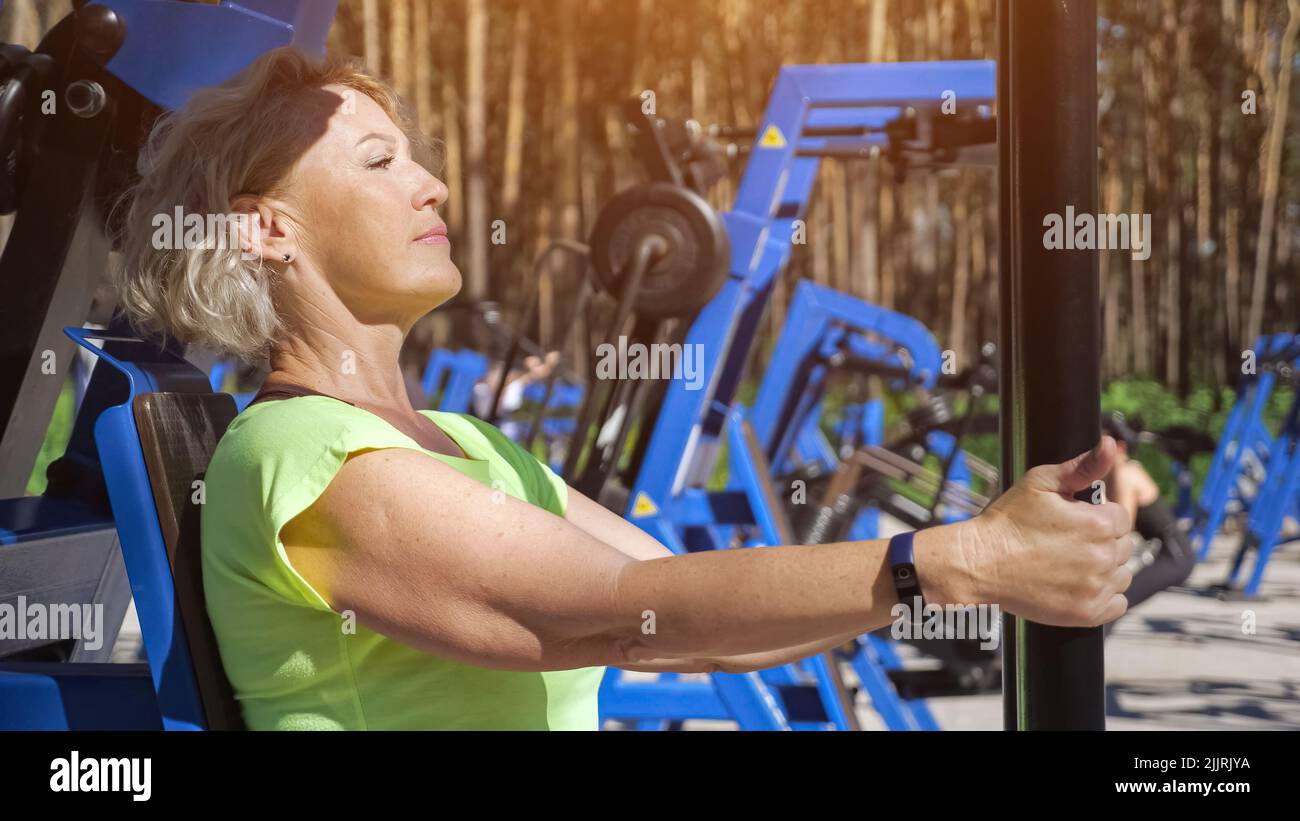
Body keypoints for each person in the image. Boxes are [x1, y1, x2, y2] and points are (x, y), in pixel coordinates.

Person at [111, 48, 1132, 730]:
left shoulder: (467, 441)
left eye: (418, 160)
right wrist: (957, 558)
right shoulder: (299, 455)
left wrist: (976, 570)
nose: (432, 184)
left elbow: (708, 628)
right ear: (267, 228)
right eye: (381, 161)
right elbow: (614, 611)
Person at [1100, 412, 1197, 636]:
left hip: (1174, 557)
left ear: (1120, 447)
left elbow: (1122, 526)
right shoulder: (1115, 473)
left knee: (1113, 604)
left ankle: (1086, 669)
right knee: (1111, 603)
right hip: (1166, 553)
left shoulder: (1126, 473)